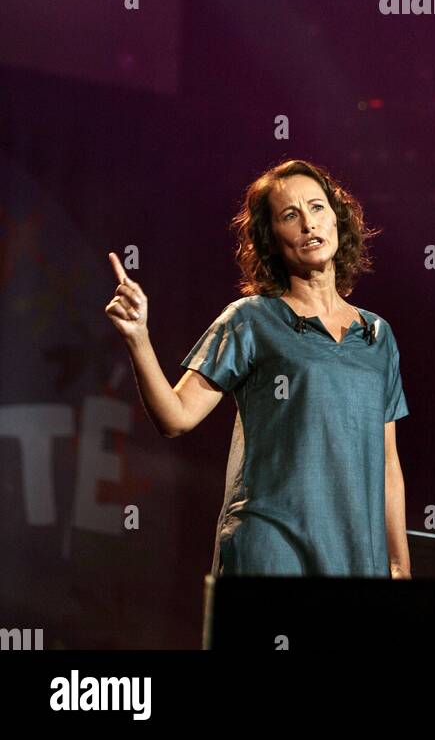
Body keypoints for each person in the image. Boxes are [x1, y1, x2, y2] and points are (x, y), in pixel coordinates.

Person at [105, 158, 410, 579]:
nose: (308, 224)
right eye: (290, 215)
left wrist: (398, 563)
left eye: (317, 207)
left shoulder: (378, 336)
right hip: (271, 548)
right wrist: (138, 337)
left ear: (338, 220)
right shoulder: (251, 320)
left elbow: (387, 461)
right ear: (270, 239)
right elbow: (175, 418)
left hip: (356, 555)